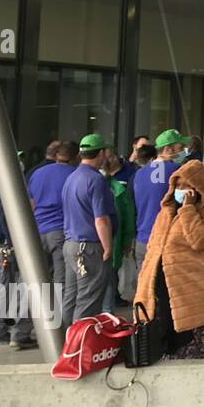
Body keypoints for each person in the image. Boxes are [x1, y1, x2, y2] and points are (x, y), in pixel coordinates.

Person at [134, 159, 204, 359]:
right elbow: (153, 249)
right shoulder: (165, 213)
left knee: (187, 346)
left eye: (188, 186)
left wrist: (188, 209)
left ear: (199, 189)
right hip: (159, 290)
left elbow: (200, 240)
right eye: (178, 185)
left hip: (189, 291)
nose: (182, 191)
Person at [60, 134, 118, 325]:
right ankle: (81, 347)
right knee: (88, 301)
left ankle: (65, 344)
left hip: (70, 244)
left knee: (72, 296)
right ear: (101, 153)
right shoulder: (96, 180)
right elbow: (101, 218)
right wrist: (108, 247)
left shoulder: (71, 177)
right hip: (90, 248)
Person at [0, 161, 36, 349]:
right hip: (1, 242)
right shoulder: (4, 186)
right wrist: (11, 243)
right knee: (2, 287)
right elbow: (4, 216)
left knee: (1, 285)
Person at [26, 140, 76, 325]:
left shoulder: (37, 173)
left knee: (35, 279)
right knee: (61, 282)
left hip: (38, 231)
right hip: (61, 232)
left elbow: (31, 205)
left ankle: (22, 331)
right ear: (75, 156)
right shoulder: (74, 175)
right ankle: (55, 330)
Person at [133, 129, 188, 270]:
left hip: (143, 239)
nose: (184, 151)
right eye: (180, 148)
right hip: (166, 240)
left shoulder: (139, 173)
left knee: (144, 289)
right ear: (168, 149)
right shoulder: (178, 171)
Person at [102, 146, 137, 313]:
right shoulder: (116, 189)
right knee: (107, 282)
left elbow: (127, 216)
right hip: (107, 242)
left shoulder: (76, 180)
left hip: (90, 242)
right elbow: (127, 217)